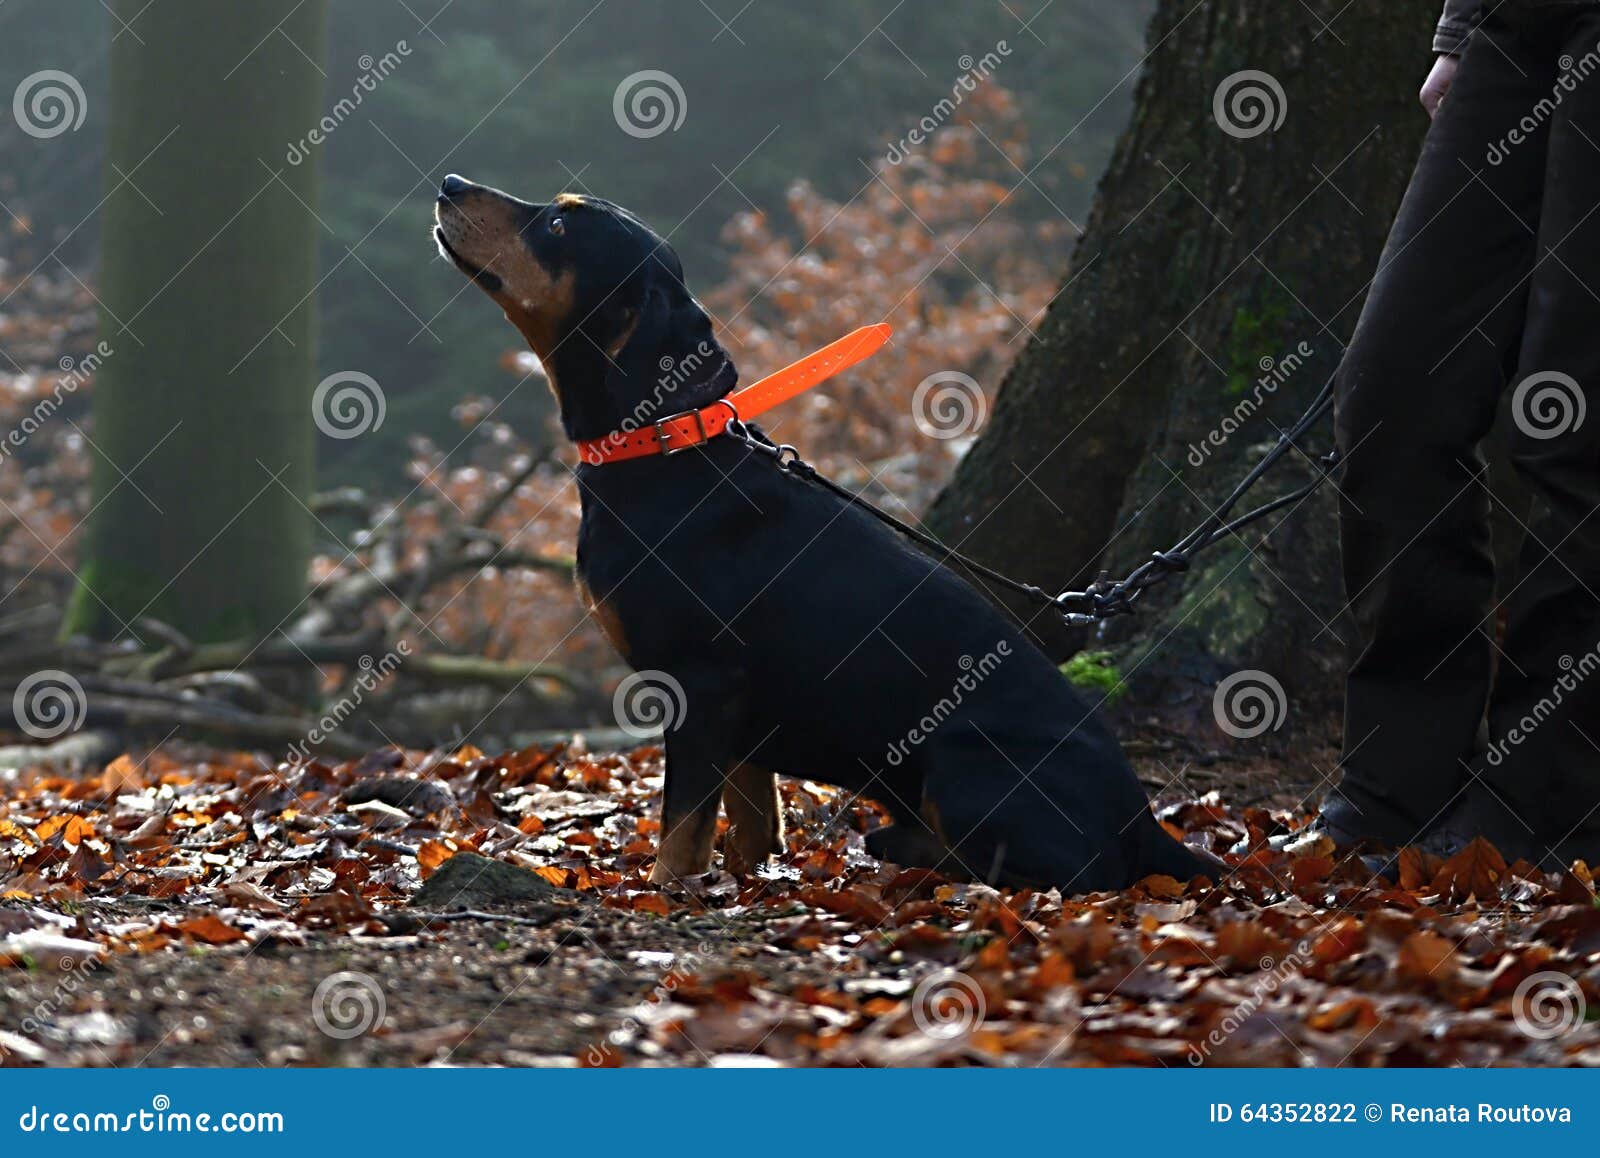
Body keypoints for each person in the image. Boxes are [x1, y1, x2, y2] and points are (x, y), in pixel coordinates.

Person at [1315, 0, 1600, 869]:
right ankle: (1401, 781)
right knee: (1391, 395)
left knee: (1575, 430)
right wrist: (1461, 27)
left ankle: (1549, 800)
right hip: (1515, 26)